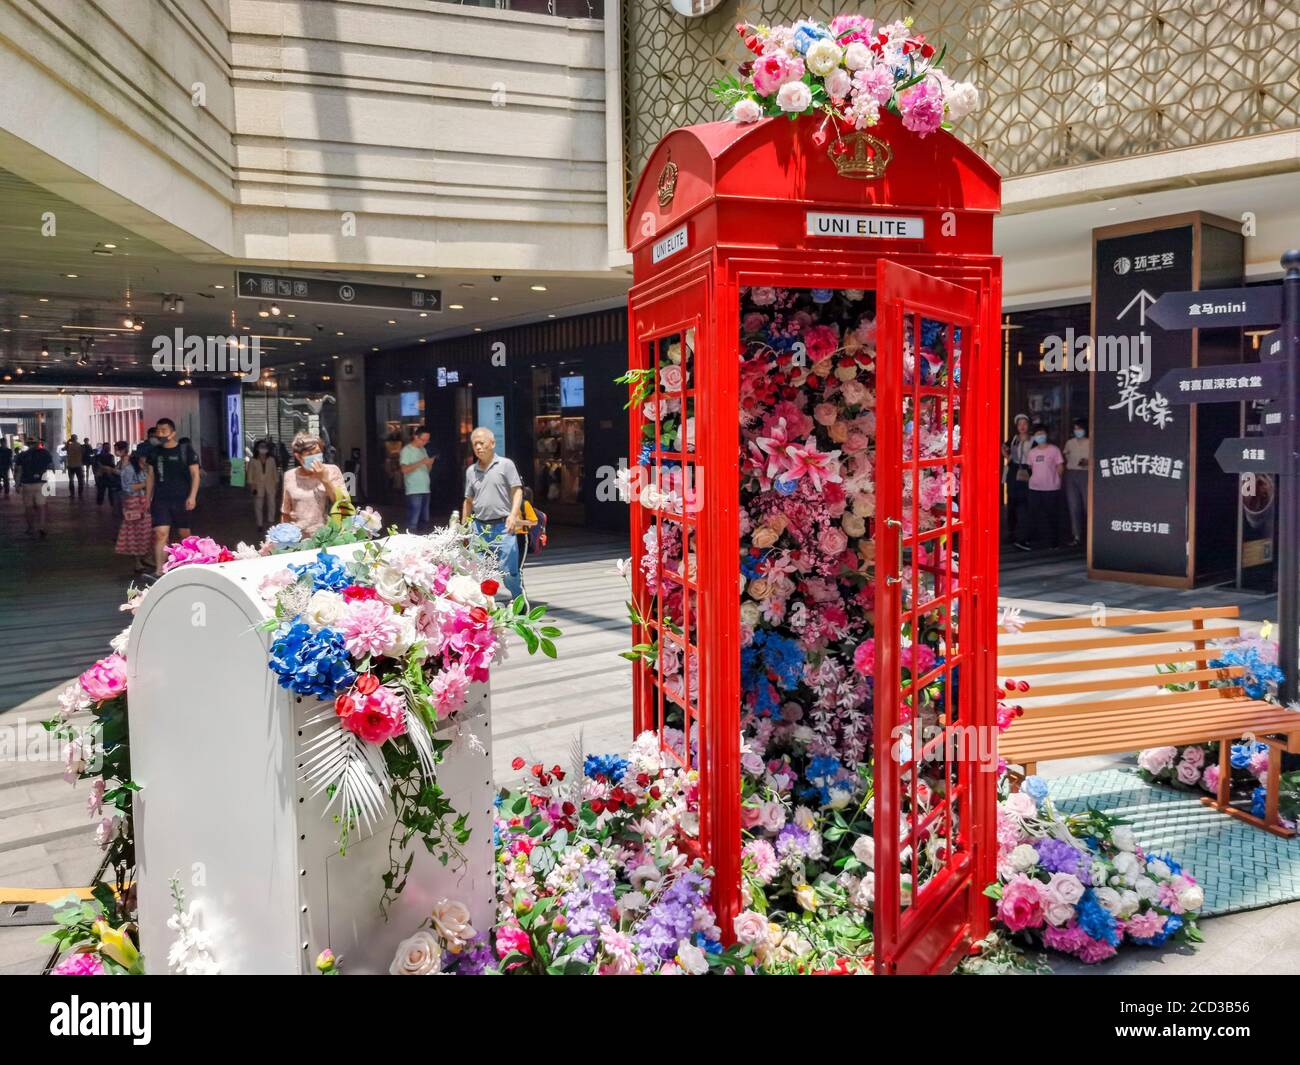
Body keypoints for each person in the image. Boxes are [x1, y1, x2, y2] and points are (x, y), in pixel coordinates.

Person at [462, 426, 524, 603]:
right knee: (480, 570)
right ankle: (485, 605)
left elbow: (517, 491)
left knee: (508, 569)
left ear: (493, 443)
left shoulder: (506, 465)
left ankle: (519, 599)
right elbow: (468, 500)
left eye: (482, 443)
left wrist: (513, 515)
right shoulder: (470, 471)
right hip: (479, 528)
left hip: (504, 526)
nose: (479, 447)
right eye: (475, 444)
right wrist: (463, 527)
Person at [146, 418, 201, 576]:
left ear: (173, 433)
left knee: (184, 534)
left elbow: (195, 475)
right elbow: (150, 476)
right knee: (160, 534)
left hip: (182, 499)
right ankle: (159, 571)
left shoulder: (185, 451)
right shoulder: (154, 452)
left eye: (164, 430)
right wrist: (147, 498)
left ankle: (192, 563)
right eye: (158, 430)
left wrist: (192, 496)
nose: (160, 433)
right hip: (161, 499)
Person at [280, 431, 347, 537]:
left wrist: (324, 480)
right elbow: (285, 512)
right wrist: (283, 538)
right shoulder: (289, 476)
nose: (316, 458)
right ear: (298, 457)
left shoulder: (332, 471)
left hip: (326, 536)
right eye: (310, 455)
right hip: (298, 537)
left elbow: (343, 502)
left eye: (318, 453)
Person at [1018, 422, 1065, 551]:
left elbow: (1060, 466)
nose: (1040, 436)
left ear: (1047, 434)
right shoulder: (1032, 452)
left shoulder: (1054, 450)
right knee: (1032, 514)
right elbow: (1030, 468)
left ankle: (1054, 542)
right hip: (1035, 488)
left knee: (1052, 515)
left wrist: (1056, 479)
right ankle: (1028, 540)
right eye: (1038, 434)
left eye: (1042, 433)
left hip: (1051, 488)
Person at [115, 446, 153, 571]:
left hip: (143, 503)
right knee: (136, 533)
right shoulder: (130, 469)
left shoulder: (145, 468)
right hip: (134, 504)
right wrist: (145, 484)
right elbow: (127, 488)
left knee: (146, 532)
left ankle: (145, 557)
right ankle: (138, 562)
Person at [1001, 413, 1032, 546]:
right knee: (1012, 502)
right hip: (1013, 470)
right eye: (1020, 424)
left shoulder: (1033, 440)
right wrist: (1006, 454)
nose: (1022, 427)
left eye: (1024, 424)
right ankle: (1011, 532)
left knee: (1024, 503)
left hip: (1027, 470)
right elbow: (1005, 449)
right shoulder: (1013, 439)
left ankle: (1024, 534)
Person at [14, 437, 53, 537]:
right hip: (41, 483)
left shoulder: (22, 455)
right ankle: (42, 527)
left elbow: (18, 471)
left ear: (27, 443)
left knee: (28, 507)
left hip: (27, 484)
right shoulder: (45, 453)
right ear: (37, 443)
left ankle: (31, 528)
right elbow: (51, 468)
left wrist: (17, 484)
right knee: (42, 506)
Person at [400, 425, 435, 533]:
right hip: (414, 489)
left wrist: (429, 464)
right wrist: (421, 462)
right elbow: (404, 469)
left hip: (425, 488)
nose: (424, 442)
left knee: (424, 519)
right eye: (423, 439)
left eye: (427, 440)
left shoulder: (423, 449)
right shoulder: (407, 450)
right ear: (416, 437)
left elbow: (427, 470)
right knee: (413, 520)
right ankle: (411, 538)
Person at [1062, 417, 1090, 548]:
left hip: (1086, 474)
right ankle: (1076, 536)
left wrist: (1087, 462)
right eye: (1075, 428)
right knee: (1073, 505)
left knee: (1087, 505)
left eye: (1080, 428)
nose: (1077, 430)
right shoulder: (1070, 443)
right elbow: (1066, 456)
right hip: (1071, 473)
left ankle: (1090, 535)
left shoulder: (1091, 442)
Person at [247, 438, 279, 531]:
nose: (263, 449)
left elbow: (275, 473)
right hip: (257, 485)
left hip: (271, 485)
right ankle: (259, 524)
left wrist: (277, 483)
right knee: (258, 505)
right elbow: (250, 474)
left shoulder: (271, 460)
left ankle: (271, 522)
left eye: (265, 447)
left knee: (272, 504)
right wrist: (252, 485)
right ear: (257, 448)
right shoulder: (253, 460)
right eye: (261, 447)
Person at [95, 443, 118, 507]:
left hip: (104, 475)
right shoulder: (110, 456)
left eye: (108, 447)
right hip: (106, 475)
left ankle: (101, 505)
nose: (108, 448)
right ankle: (111, 505)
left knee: (103, 492)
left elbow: (97, 465)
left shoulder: (99, 456)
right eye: (107, 447)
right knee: (105, 492)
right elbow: (112, 465)